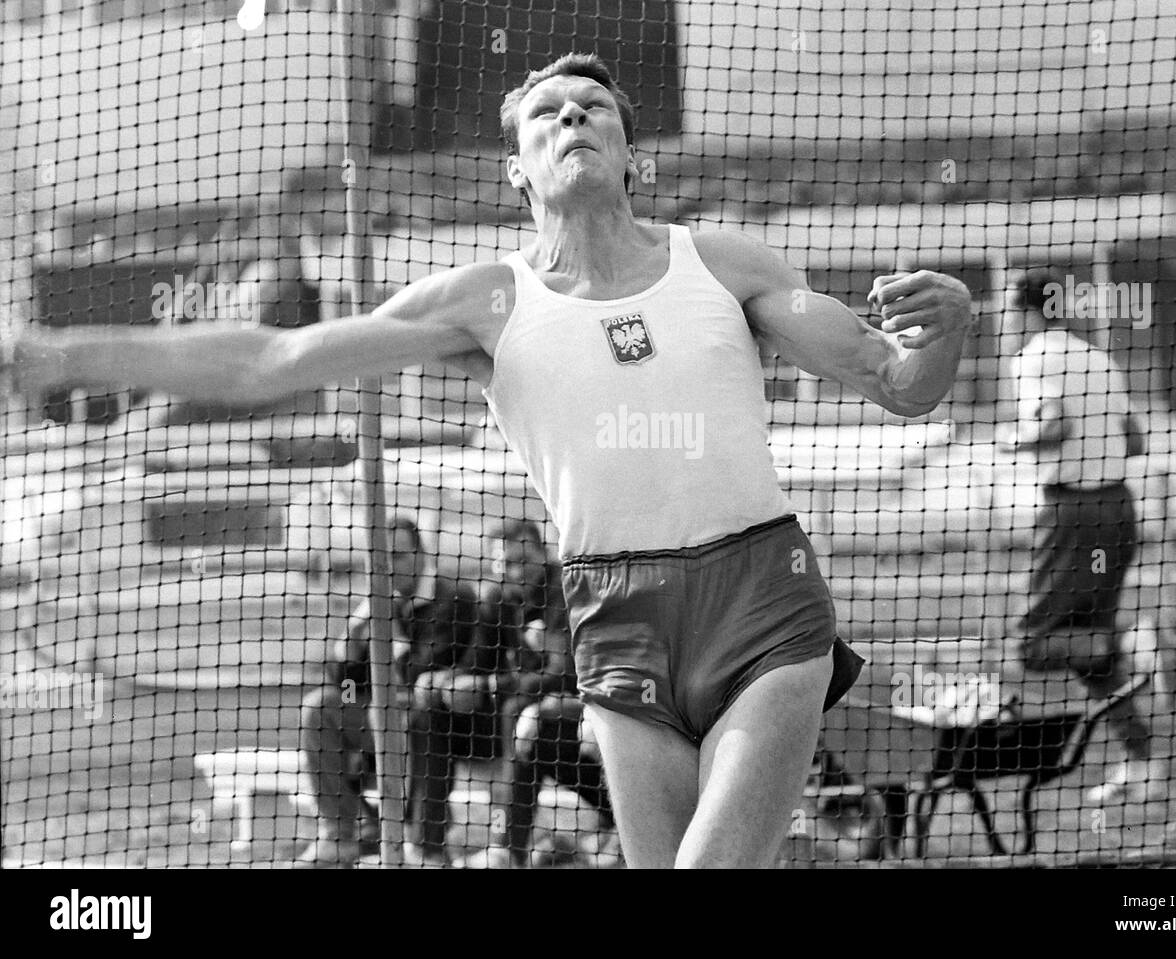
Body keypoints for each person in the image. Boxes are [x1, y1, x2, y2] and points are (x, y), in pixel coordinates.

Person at [5, 53, 973, 867]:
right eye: (548, 113)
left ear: (630, 155)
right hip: (615, 615)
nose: (572, 117)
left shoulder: (725, 264)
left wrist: (952, 327)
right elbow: (273, 359)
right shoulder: (487, 302)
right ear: (518, 171)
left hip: (764, 600)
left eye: (593, 107)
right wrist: (64, 355)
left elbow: (898, 382)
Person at [996, 269, 1167, 804]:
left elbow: (1056, 427)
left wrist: (1013, 442)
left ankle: (1130, 645)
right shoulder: (1099, 356)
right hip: (1118, 509)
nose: (1004, 320)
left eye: (1007, 308)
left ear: (1024, 311)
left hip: (1075, 516)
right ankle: (1140, 765)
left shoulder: (1032, 359)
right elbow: (1135, 440)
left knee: (1031, 646)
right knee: (1091, 663)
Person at [297, 515, 479, 868]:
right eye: (380, 560)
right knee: (322, 708)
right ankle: (342, 836)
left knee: (419, 717)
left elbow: (422, 673)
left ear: (421, 553)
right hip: (379, 714)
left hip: (441, 718)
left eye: (398, 556)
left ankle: (423, 843)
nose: (389, 567)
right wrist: (350, 645)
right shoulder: (377, 603)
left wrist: (389, 631)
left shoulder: (453, 597)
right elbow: (346, 684)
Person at [453, 518, 617, 869]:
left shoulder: (565, 588)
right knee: (442, 709)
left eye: (523, 560)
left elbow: (566, 674)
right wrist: (448, 684)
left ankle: (507, 847)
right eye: (505, 563)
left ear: (543, 554)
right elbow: (477, 662)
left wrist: (497, 688)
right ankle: (421, 842)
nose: (515, 571)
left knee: (520, 713)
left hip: (589, 721)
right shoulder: (497, 599)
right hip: (520, 719)